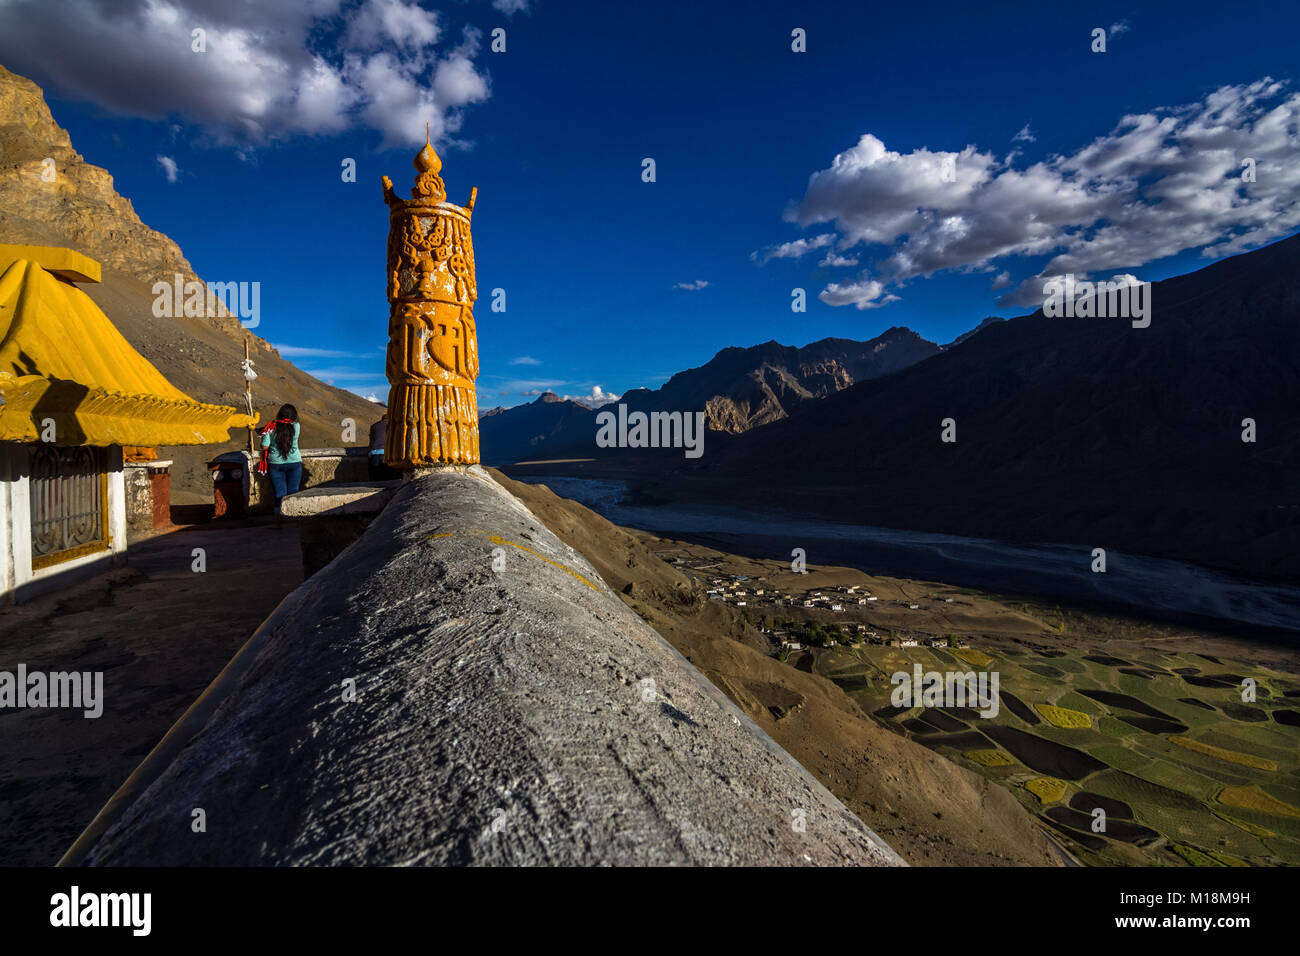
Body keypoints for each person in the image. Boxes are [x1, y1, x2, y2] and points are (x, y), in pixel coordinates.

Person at [259, 404, 302, 523]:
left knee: (279, 493)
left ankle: (277, 522)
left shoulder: (270, 427)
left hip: (275, 464)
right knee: (293, 491)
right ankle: (295, 522)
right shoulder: (297, 426)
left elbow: (264, 446)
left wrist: (263, 434)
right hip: (294, 462)